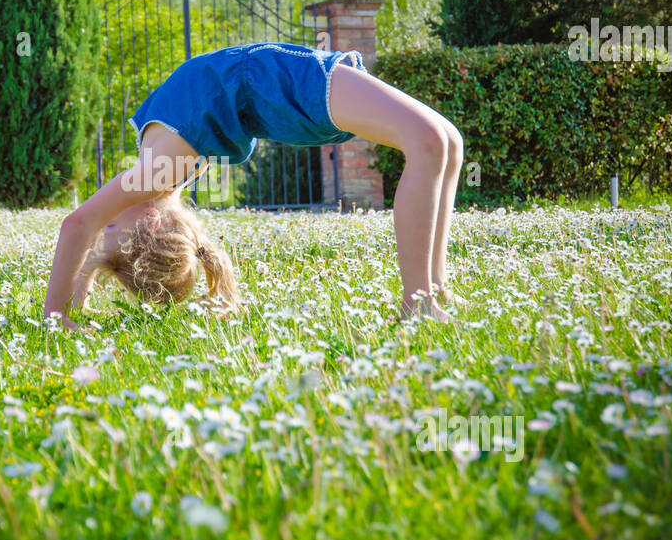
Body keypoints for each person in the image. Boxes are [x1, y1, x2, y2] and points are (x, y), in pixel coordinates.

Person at [43, 41, 464, 329]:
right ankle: (417, 301)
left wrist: (69, 306)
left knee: (446, 143)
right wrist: (60, 316)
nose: (105, 222)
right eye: (112, 230)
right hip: (277, 84)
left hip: (275, 80)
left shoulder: (160, 170)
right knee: (427, 143)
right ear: (152, 223)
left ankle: (436, 289)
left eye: (106, 232)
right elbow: (79, 225)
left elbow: (84, 231)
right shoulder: (160, 173)